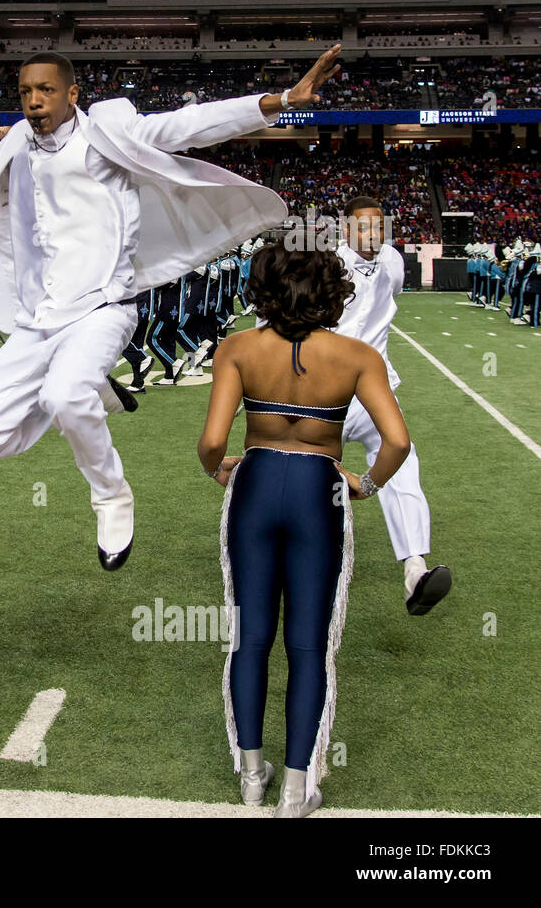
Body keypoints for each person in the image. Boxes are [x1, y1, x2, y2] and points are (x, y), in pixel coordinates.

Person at [0, 45, 340, 569]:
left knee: (64, 396)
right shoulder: (18, 143)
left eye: (46, 91)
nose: (34, 102)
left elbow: (190, 124)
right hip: (40, 318)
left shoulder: (109, 130)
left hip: (106, 306)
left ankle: (110, 492)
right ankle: (91, 389)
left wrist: (281, 100)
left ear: (72, 94)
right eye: (25, 92)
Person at [198, 241, 411, 818]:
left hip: (257, 485)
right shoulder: (357, 355)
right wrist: (365, 485)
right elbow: (396, 441)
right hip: (321, 489)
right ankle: (297, 788)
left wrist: (220, 471)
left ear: (263, 288)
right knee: (310, 643)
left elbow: (214, 440)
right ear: (331, 291)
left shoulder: (238, 348)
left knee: (250, 634)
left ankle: (249, 774)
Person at [335, 196, 451, 615]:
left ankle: (415, 570)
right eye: (362, 227)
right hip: (325, 388)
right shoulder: (327, 264)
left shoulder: (394, 261)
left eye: (378, 227)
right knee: (307, 473)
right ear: (345, 229)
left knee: (402, 462)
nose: (371, 235)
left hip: (375, 386)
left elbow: (392, 291)